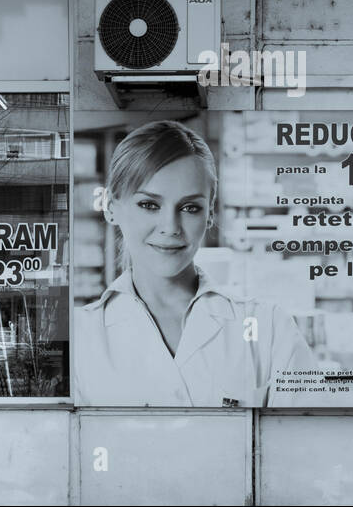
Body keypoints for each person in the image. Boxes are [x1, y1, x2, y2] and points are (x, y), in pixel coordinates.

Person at [73, 120, 313, 407]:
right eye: (149, 205)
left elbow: (309, 444)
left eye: (190, 208)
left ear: (209, 215)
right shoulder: (80, 337)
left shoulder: (270, 327)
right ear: (111, 207)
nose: (170, 227)